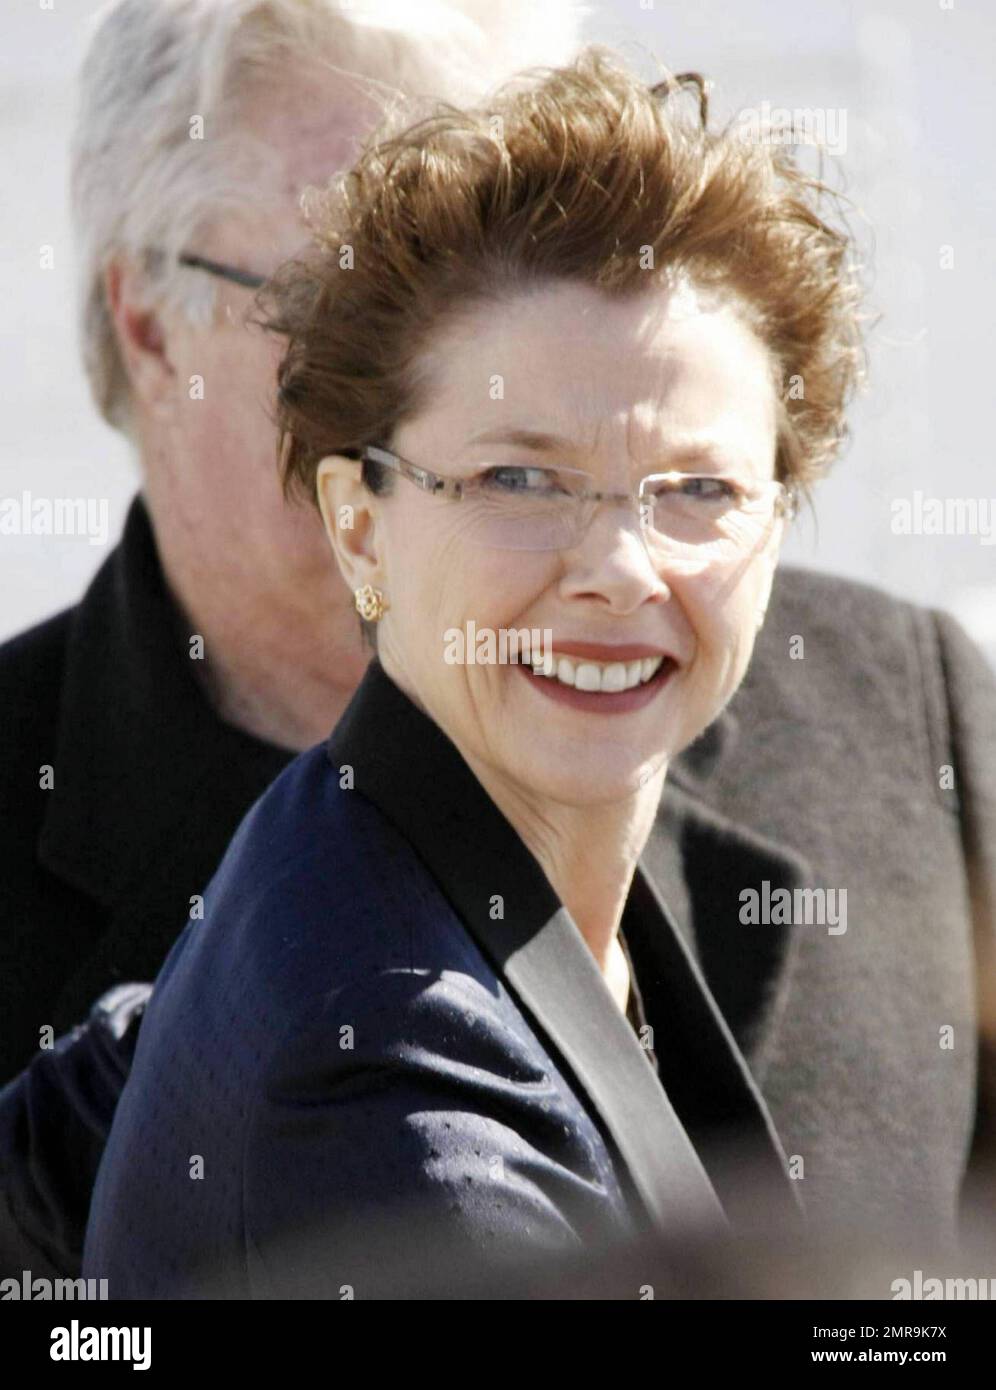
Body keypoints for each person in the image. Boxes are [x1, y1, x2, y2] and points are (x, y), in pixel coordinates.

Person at [3, 2, 995, 1288]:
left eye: (702, 487)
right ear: (359, 511)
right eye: (520, 476)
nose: (622, 567)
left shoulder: (903, 711)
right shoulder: (376, 1067)